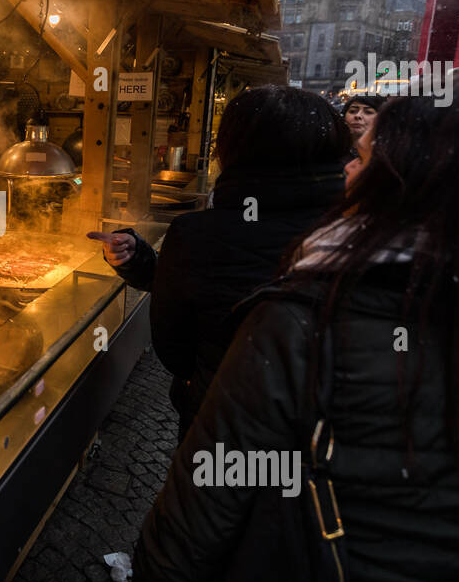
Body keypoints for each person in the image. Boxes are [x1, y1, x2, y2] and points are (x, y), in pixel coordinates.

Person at [132, 71, 459, 582]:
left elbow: (207, 498)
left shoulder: (307, 320)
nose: (347, 173)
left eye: (361, 159)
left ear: (417, 182)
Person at [89, 86, 351, 439]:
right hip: (328, 431)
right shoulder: (364, 230)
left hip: (222, 417)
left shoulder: (199, 234)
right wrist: (138, 257)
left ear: (234, 150)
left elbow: (175, 349)